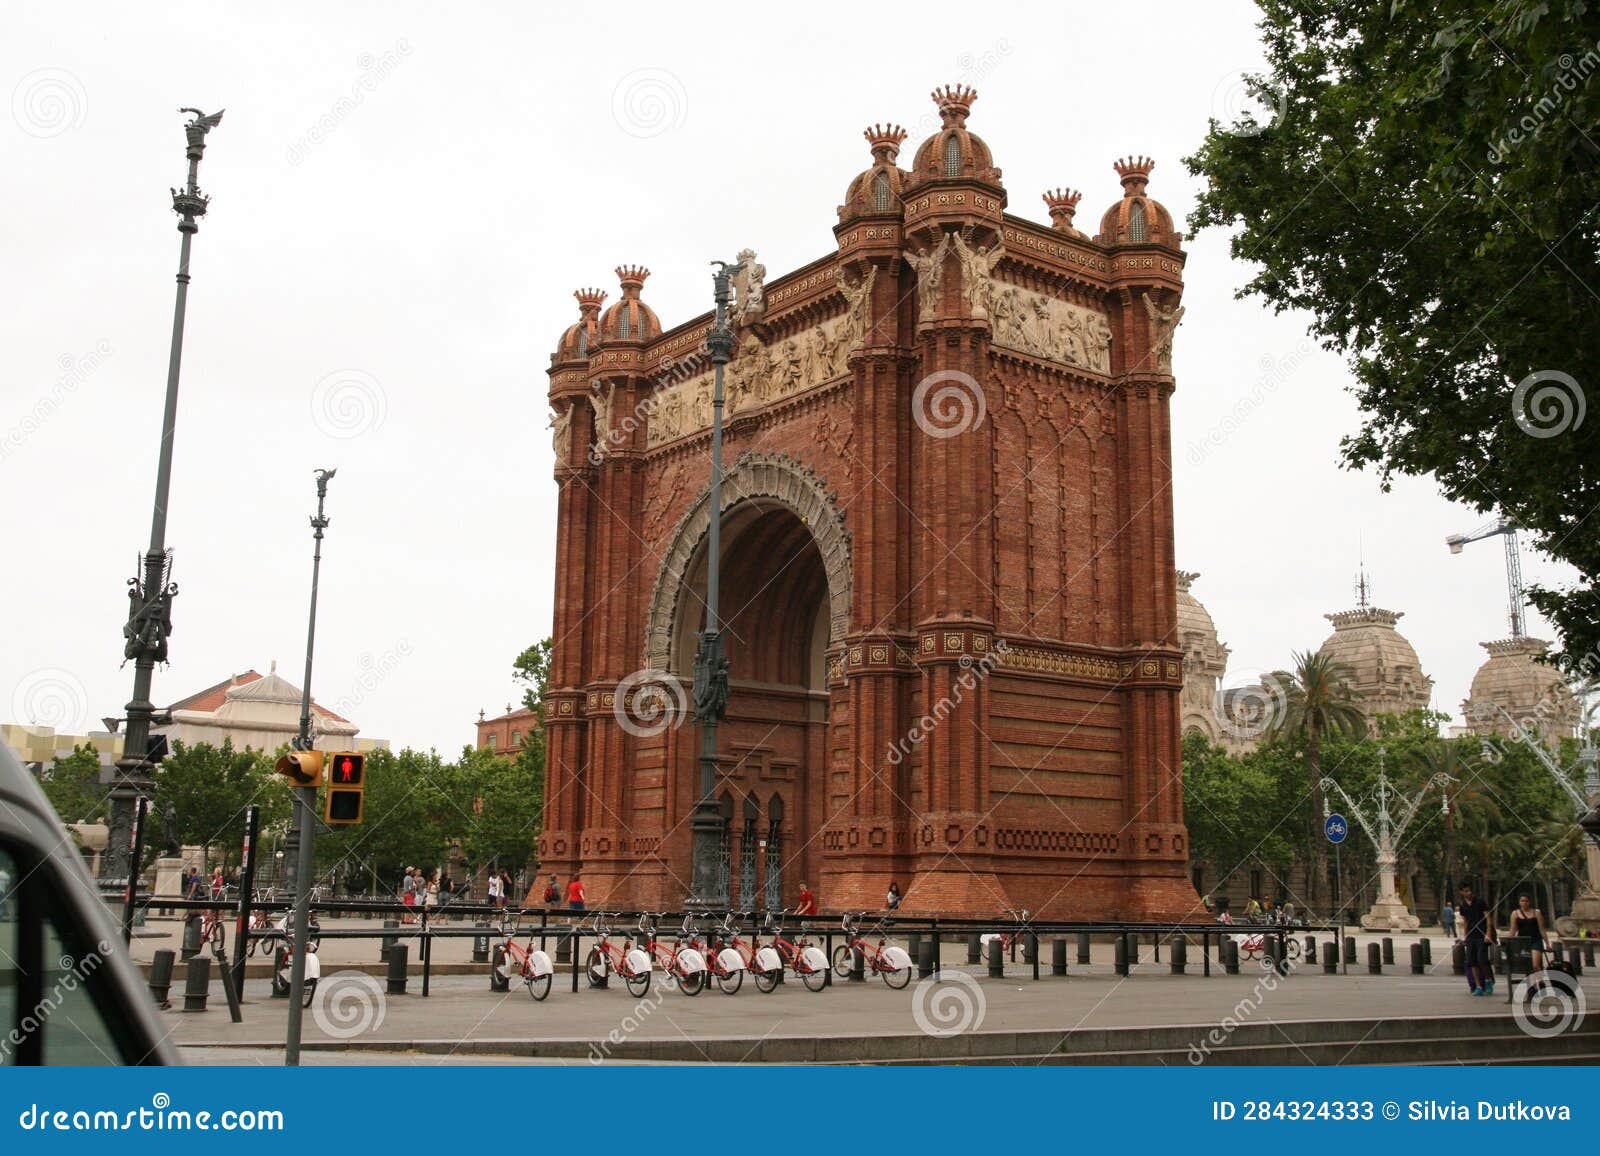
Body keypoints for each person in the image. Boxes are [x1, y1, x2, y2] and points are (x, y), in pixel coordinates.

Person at [1458, 881, 1496, 996]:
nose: (1468, 893)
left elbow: (1488, 917)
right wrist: (1465, 935)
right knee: (1472, 961)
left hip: (1482, 934)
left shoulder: (1480, 901)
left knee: (1482, 959)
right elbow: (1465, 921)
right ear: (1461, 892)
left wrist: (1488, 933)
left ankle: (1488, 981)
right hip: (1471, 935)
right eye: (1466, 891)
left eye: (1469, 890)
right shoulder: (1463, 905)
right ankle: (1478, 986)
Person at [1511, 892, 1550, 972]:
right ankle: (1533, 978)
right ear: (1519, 902)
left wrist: (1547, 943)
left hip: (1535, 940)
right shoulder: (1515, 913)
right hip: (1522, 941)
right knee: (1526, 966)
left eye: (1526, 901)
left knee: (1535, 965)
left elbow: (1542, 929)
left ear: (1529, 902)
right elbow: (1513, 929)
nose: (1524, 903)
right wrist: (1509, 942)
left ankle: (1538, 978)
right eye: (1522, 901)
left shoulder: (1537, 913)